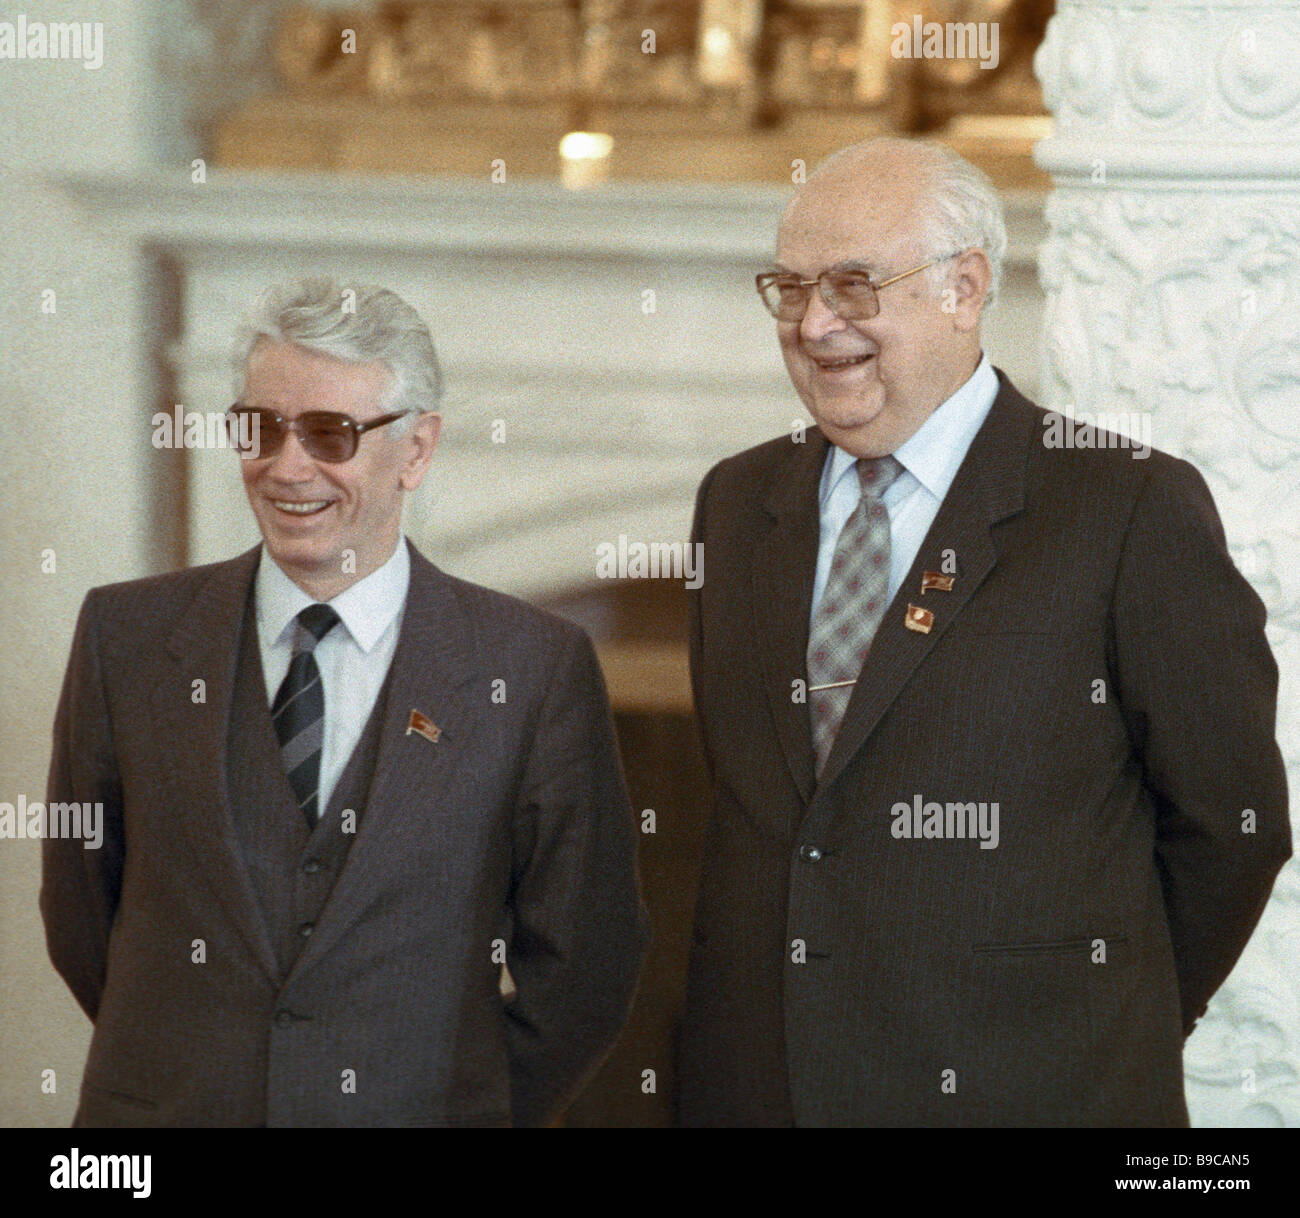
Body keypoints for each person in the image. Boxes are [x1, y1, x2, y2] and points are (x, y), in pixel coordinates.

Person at [679, 138, 1291, 1127]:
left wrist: (1101, 1017)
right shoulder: (738, 500)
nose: (811, 324)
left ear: (963, 288)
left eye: (851, 285)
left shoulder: (1124, 506)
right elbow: (759, 821)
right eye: (788, 289)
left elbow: (1232, 828)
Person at [42, 278, 648, 1127]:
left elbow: (587, 964)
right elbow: (80, 917)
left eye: (329, 433)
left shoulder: (534, 665)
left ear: (417, 449)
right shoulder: (125, 635)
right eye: (260, 428)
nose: (288, 468)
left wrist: (460, 1103)